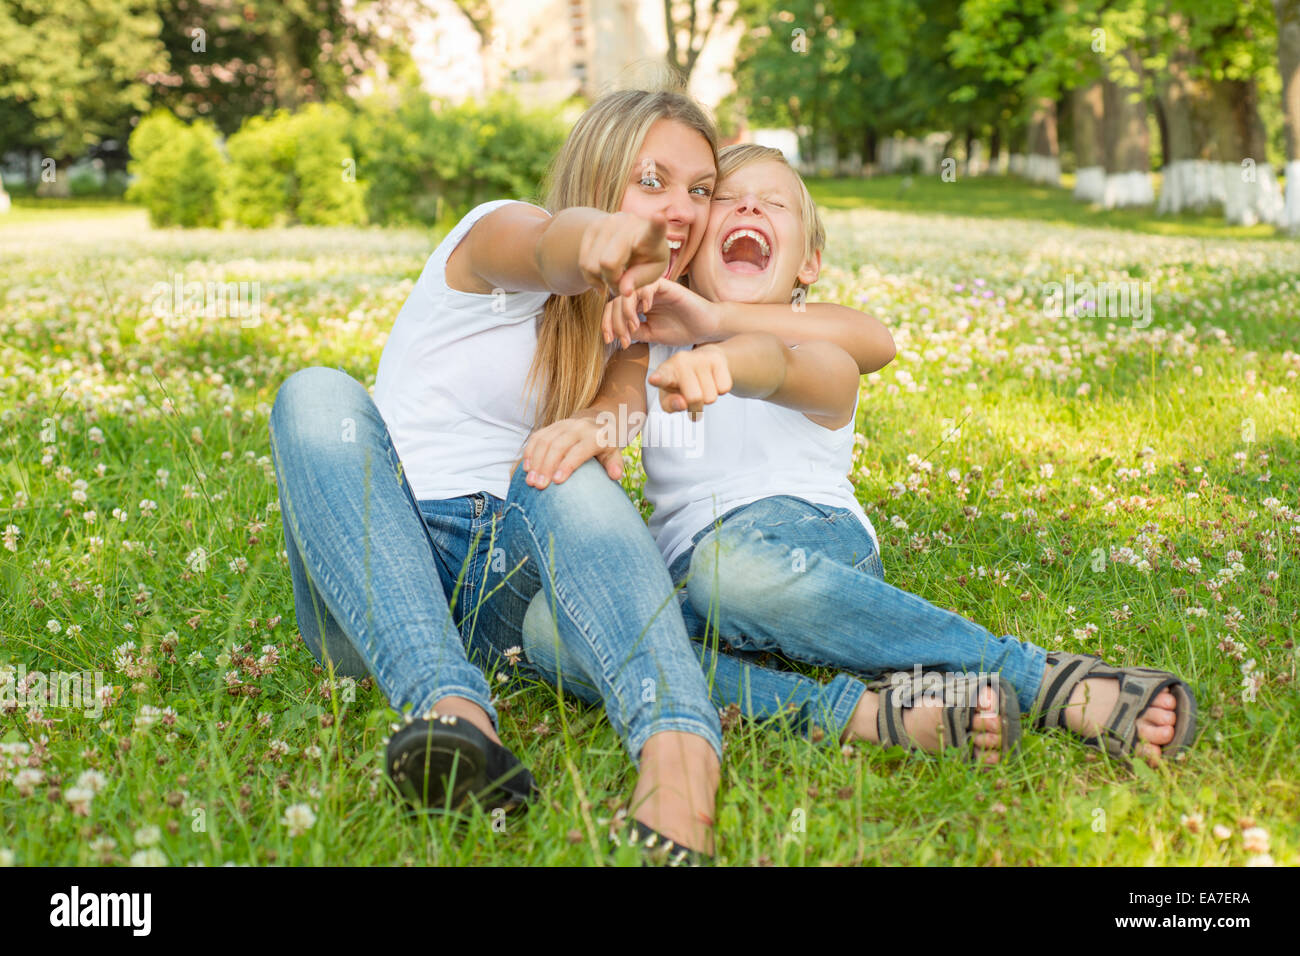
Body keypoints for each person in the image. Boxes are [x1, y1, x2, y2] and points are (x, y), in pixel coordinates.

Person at [269, 88, 884, 862]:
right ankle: (451, 712)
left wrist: (600, 423)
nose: (683, 209)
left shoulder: (638, 324)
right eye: (651, 179)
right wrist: (602, 233)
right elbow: (548, 245)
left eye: (699, 191)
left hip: (512, 584)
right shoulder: (493, 236)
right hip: (376, 575)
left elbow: (629, 410)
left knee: (568, 469)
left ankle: (679, 763)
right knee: (315, 395)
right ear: (598, 170)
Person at [520, 144, 1197, 768]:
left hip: (803, 549)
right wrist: (593, 427)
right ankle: (863, 716)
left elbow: (836, 349)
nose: (750, 207)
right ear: (694, 251)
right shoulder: (651, 342)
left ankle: (1040, 678)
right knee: (551, 628)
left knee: (733, 570)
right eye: (728, 199)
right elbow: (618, 402)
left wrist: (718, 339)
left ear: (807, 264)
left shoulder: (817, 347)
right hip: (689, 575)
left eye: (774, 202)